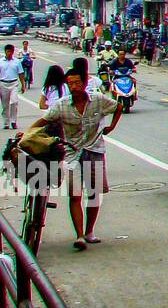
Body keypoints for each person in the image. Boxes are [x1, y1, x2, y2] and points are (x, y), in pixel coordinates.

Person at [28, 64, 124, 250]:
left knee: (94, 195)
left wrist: (111, 127)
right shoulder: (61, 105)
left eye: (77, 83)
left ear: (84, 83)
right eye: (70, 84)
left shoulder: (97, 100)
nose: (74, 87)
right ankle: (79, 235)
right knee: (75, 195)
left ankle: (89, 231)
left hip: (94, 150)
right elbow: (44, 120)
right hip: (72, 154)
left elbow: (118, 106)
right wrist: (28, 134)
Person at [0, 44, 24, 129]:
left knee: (14, 102)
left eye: (11, 51)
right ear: (5, 51)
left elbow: (21, 73)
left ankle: (13, 121)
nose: (9, 53)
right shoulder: (1, 61)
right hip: (3, 84)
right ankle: (6, 122)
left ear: (13, 52)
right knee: (5, 105)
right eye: (8, 51)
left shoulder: (17, 62)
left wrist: (23, 85)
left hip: (14, 83)